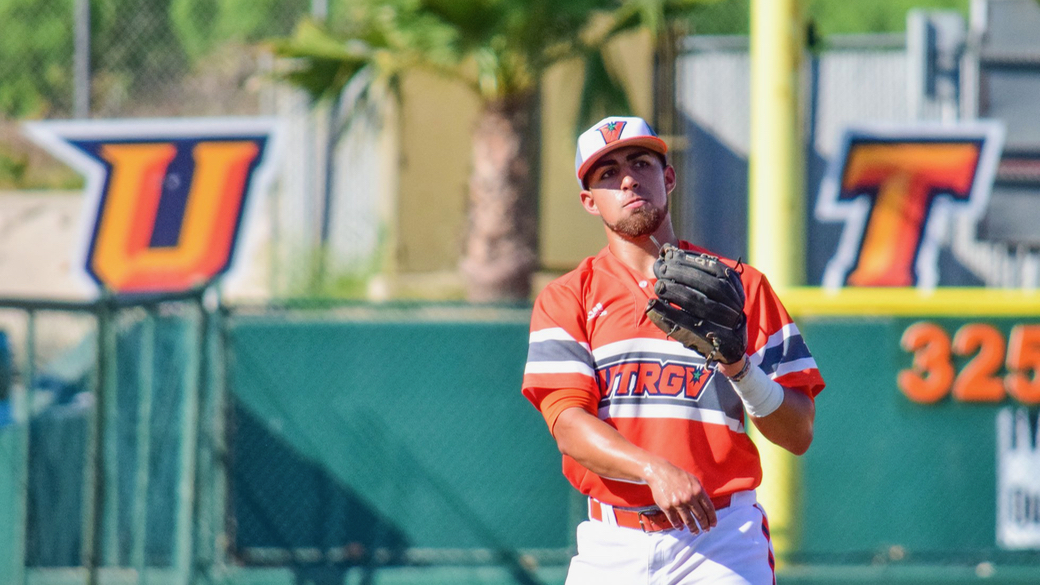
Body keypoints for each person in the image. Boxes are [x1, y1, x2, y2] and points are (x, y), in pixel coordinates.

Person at [521, 116, 825, 584]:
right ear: (589, 201)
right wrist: (653, 470)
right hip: (612, 542)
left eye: (640, 163)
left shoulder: (742, 286)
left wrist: (740, 368)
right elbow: (568, 425)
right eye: (607, 174)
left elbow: (797, 433)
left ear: (668, 177)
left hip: (719, 538)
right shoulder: (568, 297)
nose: (627, 179)